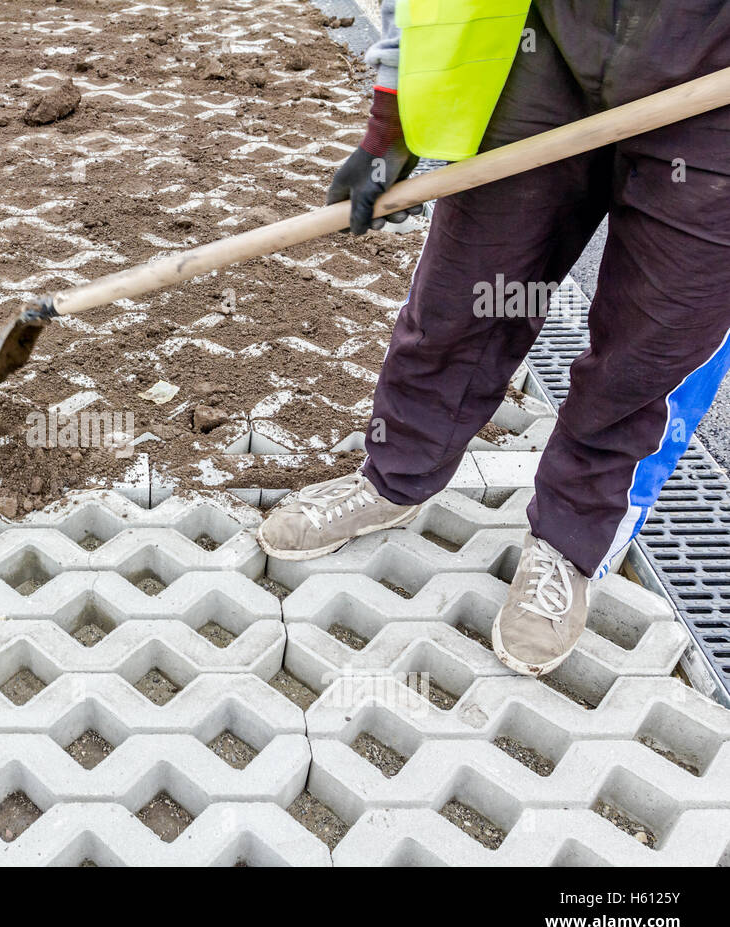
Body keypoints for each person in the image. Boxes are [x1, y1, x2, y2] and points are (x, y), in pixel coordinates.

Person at [257, 0, 730, 677]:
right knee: (467, 290)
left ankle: (571, 543)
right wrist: (392, 121)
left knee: (655, 343)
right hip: (551, 42)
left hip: (717, 78)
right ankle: (395, 477)